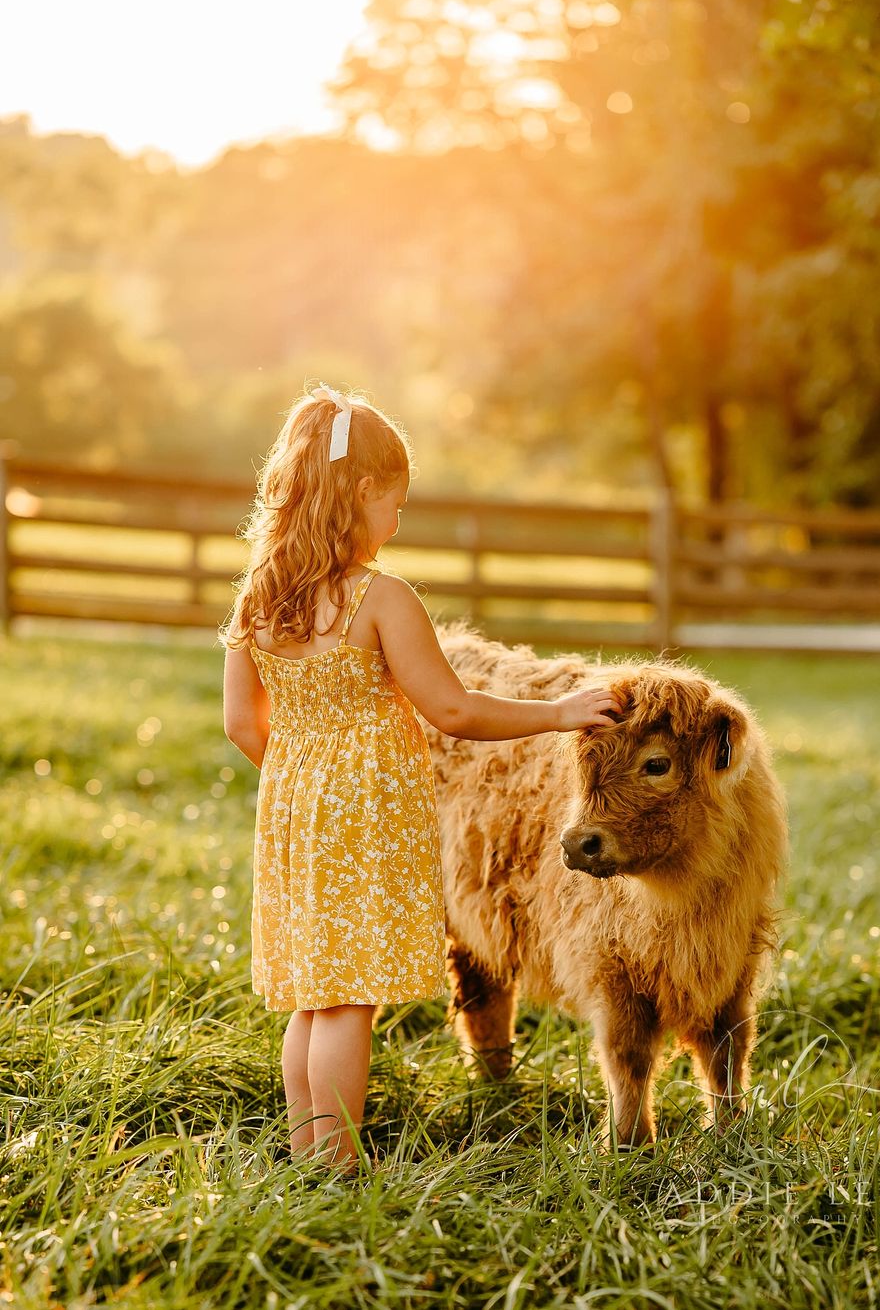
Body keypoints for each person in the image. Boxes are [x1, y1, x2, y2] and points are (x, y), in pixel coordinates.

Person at [223, 383, 619, 1171]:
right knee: (349, 998)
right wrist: (559, 712)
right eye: (395, 506)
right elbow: (454, 711)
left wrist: (304, 779)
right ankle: (336, 1163)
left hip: (293, 808)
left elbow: (240, 722)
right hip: (368, 812)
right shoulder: (380, 598)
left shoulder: (260, 596)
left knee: (314, 990)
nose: (397, 523)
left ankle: (309, 1152)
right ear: (361, 494)